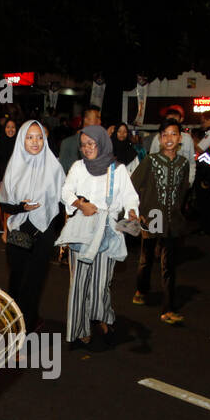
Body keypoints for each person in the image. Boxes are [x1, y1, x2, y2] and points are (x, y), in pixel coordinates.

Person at [57, 125, 138, 346]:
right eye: (83, 145)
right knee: (79, 283)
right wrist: (80, 204)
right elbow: (65, 191)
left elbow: (130, 196)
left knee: (102, 282)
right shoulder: (78, 167)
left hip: (108, 230)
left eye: (91, 143)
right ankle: (79, 328)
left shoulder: (118, 170)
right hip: (82, 231)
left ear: (102, 143)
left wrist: (131, 211)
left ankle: (101, 315)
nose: (87, 148)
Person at [0, 119, 65, 331]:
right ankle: (16, 321)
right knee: (17, 281)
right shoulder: (15, 164)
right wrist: (21, 207)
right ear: (22, 140)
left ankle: (24, 327)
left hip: (44, 233)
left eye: (39, 137)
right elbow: (4, 201)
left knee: (34, 283)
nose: (35, 142)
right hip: (19, 230)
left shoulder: (54, 166)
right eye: (30, 137)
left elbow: (64, 200)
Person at [131, 120, 190, 323]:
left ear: (180, 138)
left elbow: (183, 190)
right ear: (160, 138)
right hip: (152, 216)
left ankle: (168, 309)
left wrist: (178, 211)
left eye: (173, 134)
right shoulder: (150, 160)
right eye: (165, 134)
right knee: (147, 257)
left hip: (172, 220)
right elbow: (133, 185)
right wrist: (138, 210)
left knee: (169, 265)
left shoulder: (184, 163)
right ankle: (141, 289)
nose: (169, 138)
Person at [58, 105, 102, 174]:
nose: (100, 121)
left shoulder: (101, 143)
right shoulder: (68, 143)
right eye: (97, 118)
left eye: (100, 118)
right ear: (86, 119)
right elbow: (62, 173)